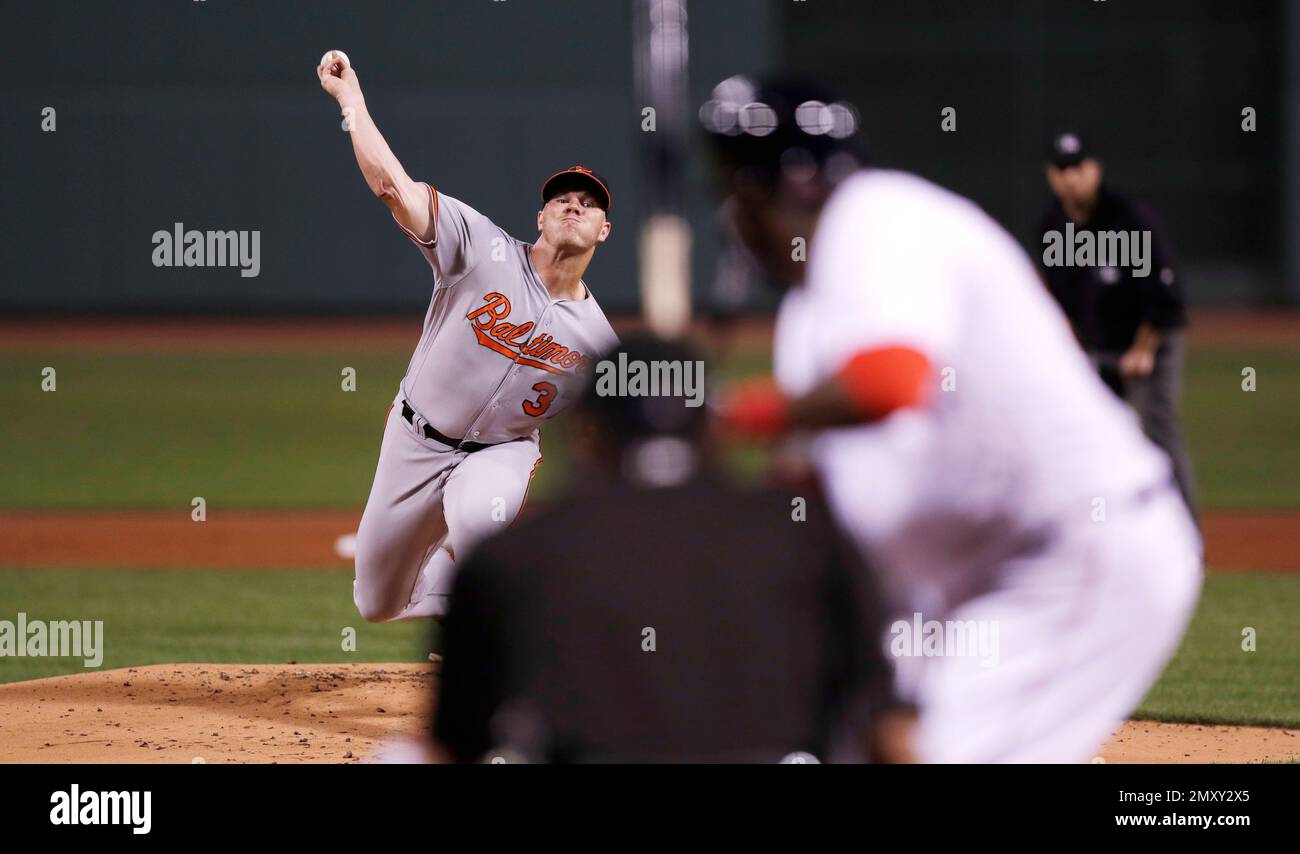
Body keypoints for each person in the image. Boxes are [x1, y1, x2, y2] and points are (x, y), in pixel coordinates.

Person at [704, 76, 1202, 763]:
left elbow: (888, 379)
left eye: (734, 187)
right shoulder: (815, 309)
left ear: (783, 185)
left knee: (932, 752)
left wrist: (726, 414)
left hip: (1067, 557)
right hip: (958, 587)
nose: (729, 213)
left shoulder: (878, 220)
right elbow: (812, 494)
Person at [431, 336, 899, 763]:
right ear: (713, 428)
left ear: (587, 433)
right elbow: (887, 726)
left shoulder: (514, 555)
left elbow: (457, 742)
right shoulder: (809, 534)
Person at [317, 50, 619, 621]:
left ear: (604, 231)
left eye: (588, 204)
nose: (573, 207)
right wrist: (351, 103)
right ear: (540, 217)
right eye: (562, 198)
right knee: (376, 604)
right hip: (415, 439)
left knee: (483, 531)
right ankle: (444, 577)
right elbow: (393, 187)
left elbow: (599, 435)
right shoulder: (480, 248)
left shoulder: (598, 341)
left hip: (499, 453)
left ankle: (487, 648)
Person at [1038, 132, 1197, 518]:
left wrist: (1142, 351)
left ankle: (1186, 537)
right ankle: (1099, 529)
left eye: (1078, 168)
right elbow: (1062, 303)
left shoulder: (1128, 219)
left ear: (1095, 170)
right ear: (1051, 176)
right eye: (1062, 170)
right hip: (1102, 345)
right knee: (1087, 437)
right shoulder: (1053, 228)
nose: (1070, 178)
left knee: (1158, 433)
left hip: (1150, 339)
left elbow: (1164, 296)